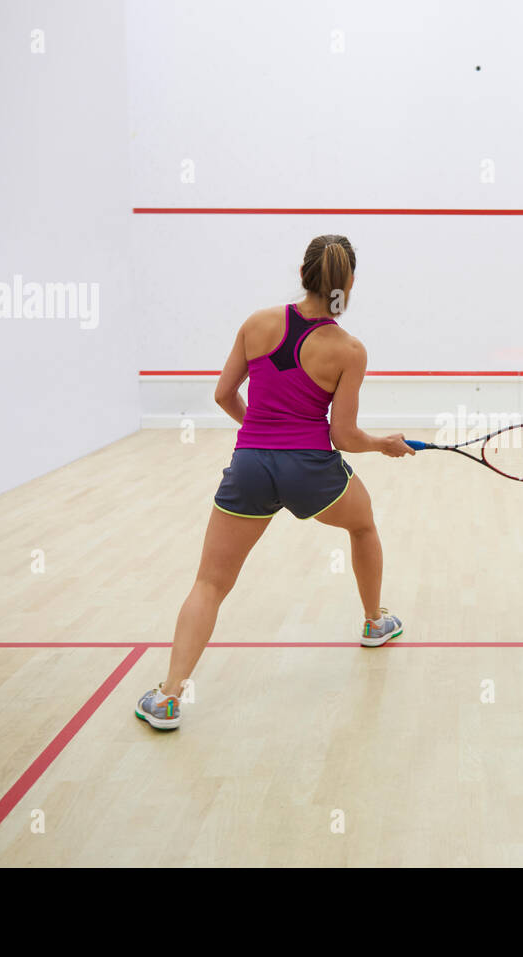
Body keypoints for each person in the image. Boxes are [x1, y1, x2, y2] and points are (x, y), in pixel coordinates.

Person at [136, 234, 415, 730]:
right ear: (347, 285)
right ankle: (375, 622)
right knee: (364, 526)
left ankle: (168, 696)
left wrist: (259, 437)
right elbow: (344, 436)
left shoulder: (257, 323)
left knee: (210, 583)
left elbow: (224, 394)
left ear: (304, 273)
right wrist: (385, 444)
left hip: (249, 469)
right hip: (312, 472)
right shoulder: (349, 350)